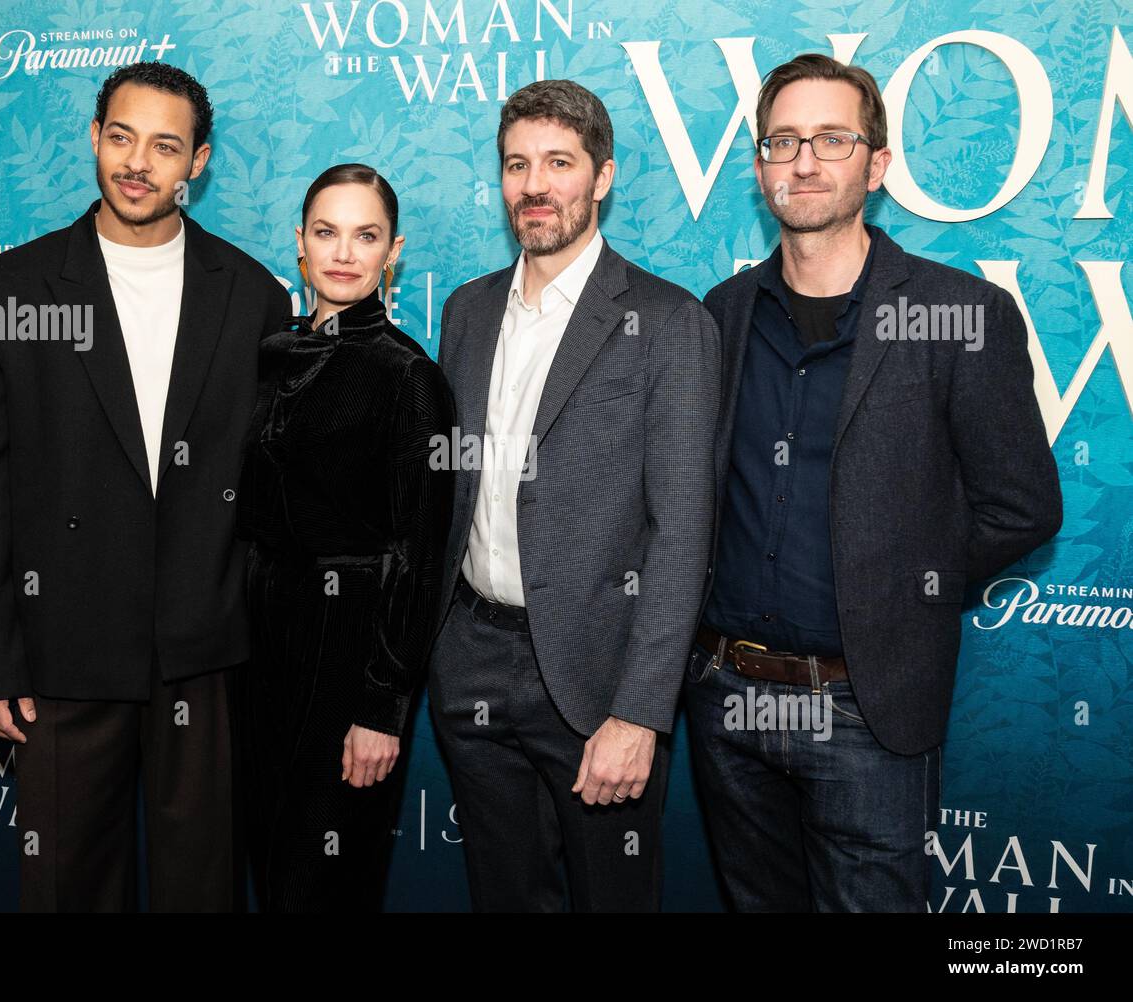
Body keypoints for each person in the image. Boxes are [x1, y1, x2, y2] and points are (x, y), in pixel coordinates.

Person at [688, 53, 1063, 912]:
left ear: (879, 165)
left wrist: (904, 589)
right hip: (727, 699)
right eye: (783, 141)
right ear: (759, 167)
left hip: (865, 708)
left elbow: (1024, 506)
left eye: (832, 138)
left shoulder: (958, 314)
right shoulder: (723, 313)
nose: (805, 161)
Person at [0, 61, 292, 911]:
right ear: (94, 138)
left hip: (204, 661)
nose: (138, 162)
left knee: (201, 890)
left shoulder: (254, 299)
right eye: (122, 136)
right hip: (60, 657)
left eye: (164, 146)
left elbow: (269, 491)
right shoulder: (4, 297)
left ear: (197, 164)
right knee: (68, 889)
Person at [427, 79, 722, 912]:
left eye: (559, 163)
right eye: (517, 164)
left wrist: (640, 712)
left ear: (602, 177)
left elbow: (683, 532)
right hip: (472, 663)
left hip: (598, 681)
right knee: (504, 895)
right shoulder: (467, 311)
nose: (534, 184)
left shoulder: (667, 322)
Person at [231, 164, 454, 912]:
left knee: (323, 884)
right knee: (269, 869)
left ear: (394, 250)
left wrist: (380, 708)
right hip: (258, 649)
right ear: (300, 242)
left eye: (366, 236)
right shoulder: (272, 356)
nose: (344, 253)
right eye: (326, 232)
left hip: (347, 652)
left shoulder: (409, 377)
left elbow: (417, 557)